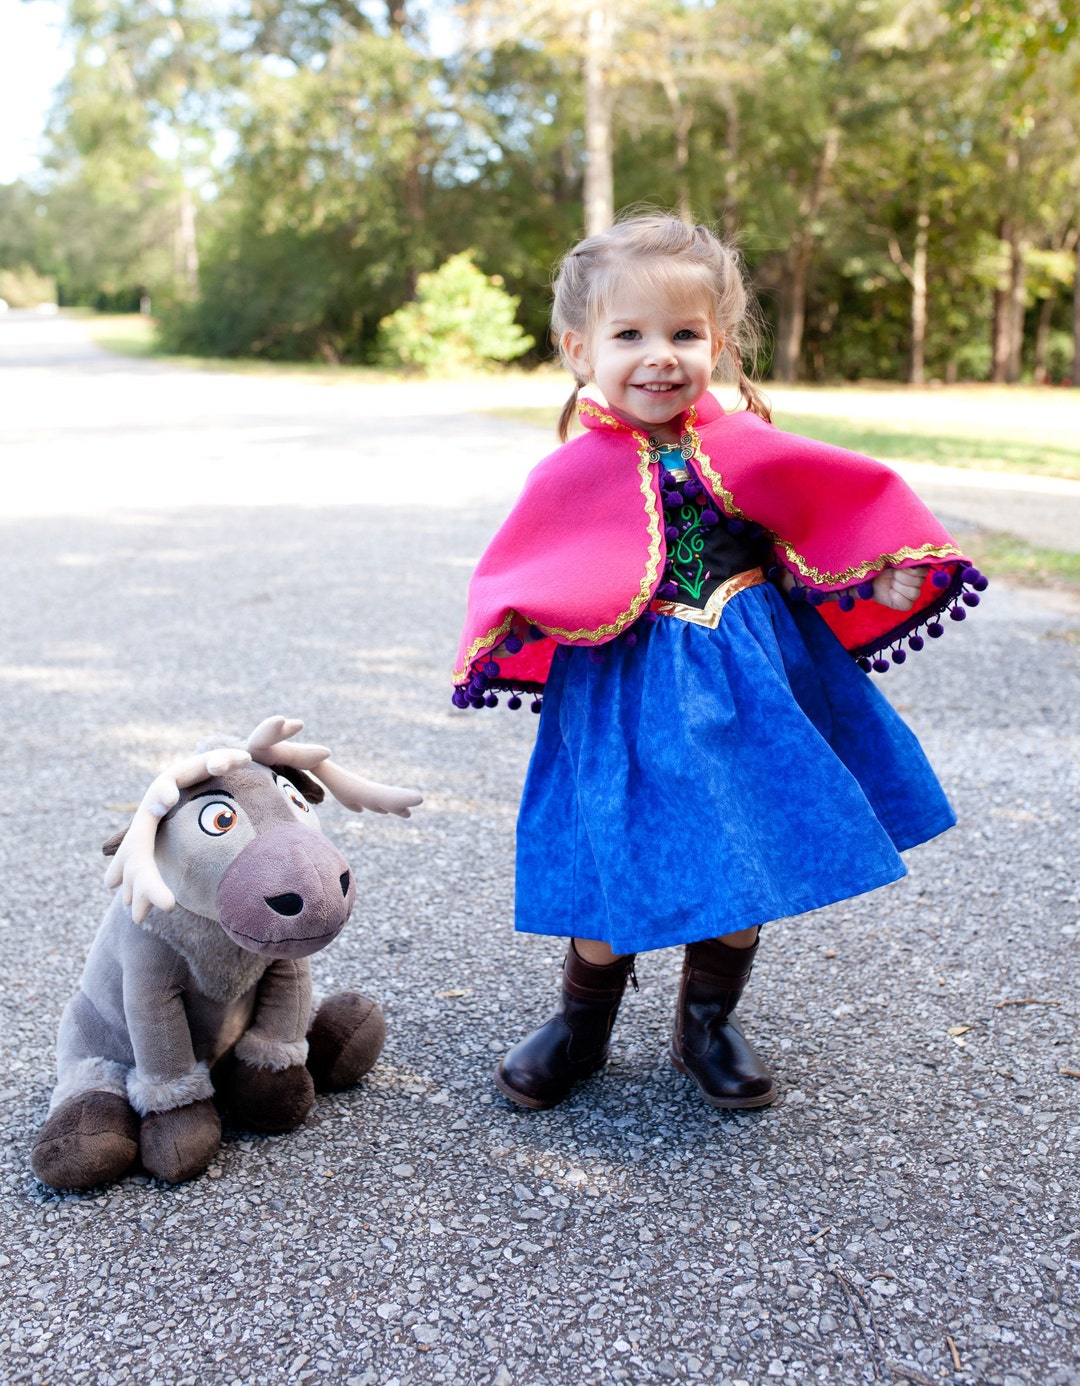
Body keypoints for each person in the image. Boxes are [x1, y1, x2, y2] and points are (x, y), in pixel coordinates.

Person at [451, 212, 985, 1113]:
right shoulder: (569, 474)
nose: (659, 356)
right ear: (579, 350)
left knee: (743, 849)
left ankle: (708, 1020)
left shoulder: (742, 448)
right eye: (630, 335)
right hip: (621, 695)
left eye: (684, 335)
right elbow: (527, 564)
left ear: (720, 343)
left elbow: (818, 529)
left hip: (747, 688)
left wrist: (878, 577)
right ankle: (581, 1024)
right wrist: (502, 627)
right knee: (612, 853)